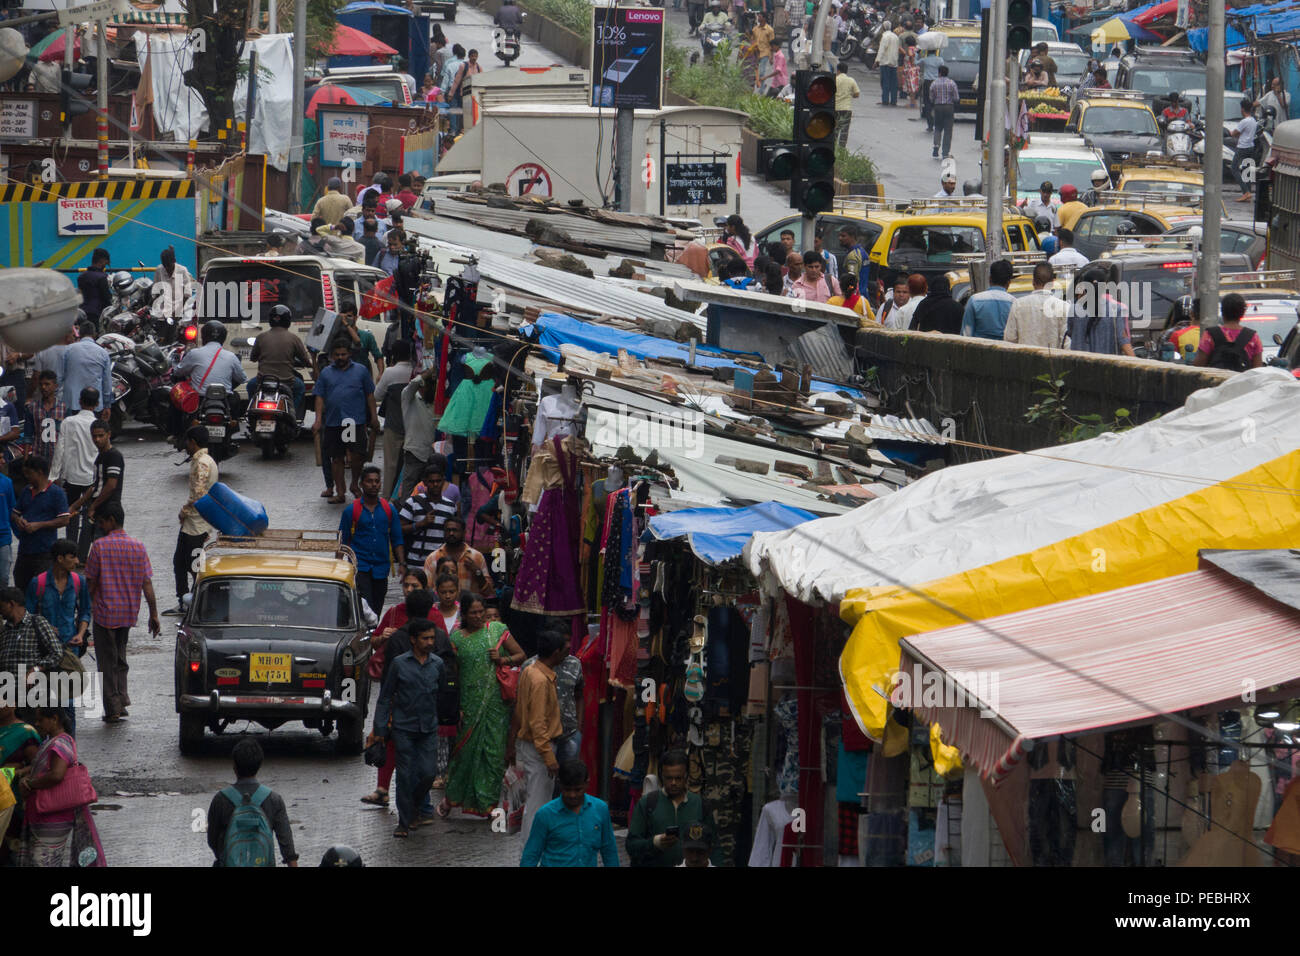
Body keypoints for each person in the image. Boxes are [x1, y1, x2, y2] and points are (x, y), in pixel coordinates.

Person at [440, 593, 524, 817]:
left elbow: (520, 655)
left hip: (496, 705)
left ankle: (488, 803)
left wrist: (503, 660)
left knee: (493, 754)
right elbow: (453, 676)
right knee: (464, 753)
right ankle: (453, 798)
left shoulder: (496, 630)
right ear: (465, 614)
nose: (478, 616)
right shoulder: (456, 638)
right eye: (473, 613)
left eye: (481, 612)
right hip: (468, 704)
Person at [370, 617, 446, 838]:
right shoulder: (399, 664)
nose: (430, 642)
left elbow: (441, 693)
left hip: (428, 728)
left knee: (428, 773)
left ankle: (413, 806)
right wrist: (380, 729)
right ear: (413, 640)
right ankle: (404, 822)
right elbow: (384, 698)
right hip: (403, 728)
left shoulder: (437, 665)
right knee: (404, 775)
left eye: (432, 638)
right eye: (425, 638)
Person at [86, 502, 160, 722]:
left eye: (101, 522)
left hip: (104, 613)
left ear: (110, 520)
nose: (100, 526)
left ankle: (113, 708)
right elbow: (146, 584)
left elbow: (91, 583)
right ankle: (121, 698)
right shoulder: (138, 546)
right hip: (127, 613)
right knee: (119, 657)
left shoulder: (99, 547)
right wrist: (153, 613)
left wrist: (82, 610)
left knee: (107, 661)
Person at [15, 707, 105, 867]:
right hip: (47, 815)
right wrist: (25, 772)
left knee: (43, 861)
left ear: (55, 719)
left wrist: (29, 783)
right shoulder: (56, 741)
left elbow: (56, 775)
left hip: (52, 817)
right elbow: (46, 767)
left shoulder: (60, 744)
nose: (37, 724)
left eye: (40, 719)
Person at [206, 738, 298, 866]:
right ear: (259, 765)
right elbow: (287, 847)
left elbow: (212, 840)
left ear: (234, 767)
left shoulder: (220, 799)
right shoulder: (274, 799)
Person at [516, 628, 568, 845]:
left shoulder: (531, 671)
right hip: (539, 749)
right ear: (556, 653)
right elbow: (538, 724)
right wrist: (549, 757)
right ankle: (531, 853)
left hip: (531, 747)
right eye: (564, 650)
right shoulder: (540, 680)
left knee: (535, 802)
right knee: (538, 805)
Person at [627, 749, 721, 867]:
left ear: (686, 775)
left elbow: (714, 846)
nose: (673, 783)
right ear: (661, 775)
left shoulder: (700, 804)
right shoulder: (647, 804)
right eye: (668, 778)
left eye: (678, 778)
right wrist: (656, 843)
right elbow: (631, 845)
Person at [313, 337, 378, 504]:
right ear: (332, 356)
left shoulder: (361, 371)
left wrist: (374, 417)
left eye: (343, 354)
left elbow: (370, 395)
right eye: (337, 355)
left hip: (353, 421)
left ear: (349, 354)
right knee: (336, 458)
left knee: (357, 456)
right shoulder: (326, 373)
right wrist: (318, 419)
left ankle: (354, 484)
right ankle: (340, 492)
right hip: (334, 422)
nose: (340, 357)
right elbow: (319, 397)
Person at [520, 759, 619, 867]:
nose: (572, 795)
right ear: (560, 785)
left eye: (578, 790)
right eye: (567, 790)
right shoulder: (545, 815)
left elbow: (609, 851)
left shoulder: (601, 809)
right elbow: (531, 856)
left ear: (587, 784)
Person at [339, 465, 405, 618]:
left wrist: (402, 563)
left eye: (377, 481)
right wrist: (338, 566)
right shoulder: (351, 511)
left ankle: (373, 636)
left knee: (377, 608)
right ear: (362, 484)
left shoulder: (389, 510)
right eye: (369, 481)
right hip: (360, 567)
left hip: (381, 569)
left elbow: (397, 538)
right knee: (364, 607)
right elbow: (342, 542)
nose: (374, 484)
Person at [50, 386, 97, 561]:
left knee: (71, 515)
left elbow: (59, 450)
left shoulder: (68, 422)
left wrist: (54, 477)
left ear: (80, 401)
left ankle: (71, 553)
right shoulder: (98, 425)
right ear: (97, 403)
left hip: (72, 478)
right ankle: (83, 556)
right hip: (91, 479)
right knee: (88, 517)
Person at [25, 538, 90, 663]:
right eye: (72, 557)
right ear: (60, 559)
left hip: (71, 647)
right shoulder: (38, 583)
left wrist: (80, 634)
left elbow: (85, 612)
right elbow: (28, 616)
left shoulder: (79, 582)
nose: (77, 561)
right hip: (45, 649)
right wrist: (44, 627)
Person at [11, 455, 70, 592]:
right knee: (21, 587)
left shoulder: (57, 493)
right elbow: (15, 513)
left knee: (41, 591)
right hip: (24, 551)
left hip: (44, 553)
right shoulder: (26, 491)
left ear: (40, 472)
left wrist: (39, 525)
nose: (27, 477)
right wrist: (18, 520)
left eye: (29, 473)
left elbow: (64, 519)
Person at [249, 304, 310, 421]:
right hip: (287, 382)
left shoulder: (261, 337)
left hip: (262, 381)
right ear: (288, 320)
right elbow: (306, 361)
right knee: (300, 387)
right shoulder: (294, 338)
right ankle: (292, 414)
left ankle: (252, 413)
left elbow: (253, 358)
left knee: (250, 386)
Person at [399, 460, 456, 574]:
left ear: (443, 481)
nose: (435, 484)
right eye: (431, 481)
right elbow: (399, 529)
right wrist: (420, 524)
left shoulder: (450, 506)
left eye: (438, 481)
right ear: (425, 482)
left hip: (440, 563)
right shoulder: (412, 502)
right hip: (415, 562)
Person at [374, 340, 413, 498]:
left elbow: (377, 395)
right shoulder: (414, 371)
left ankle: (388, 497)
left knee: (390, 464)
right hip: (412, 425)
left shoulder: (390, 372)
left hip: (393, 425)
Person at [423, 516, 494, 598]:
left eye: (455, 530)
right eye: (448, 530)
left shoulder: (476, 557)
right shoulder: (433, 558)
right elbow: (427, 590)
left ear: (464, 533)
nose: (451, 533)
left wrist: (477, 572)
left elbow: (488, 592)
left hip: (469, 608)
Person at [1003, 263, 1069, 348]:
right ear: (1052, 283)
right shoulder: (1064, 307)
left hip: (1024, 358)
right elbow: (1067, 343)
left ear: (1033, 282)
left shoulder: (1018, 305)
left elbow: (1009, 339)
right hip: (1053, 359)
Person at [1193, 293, 1263, 371]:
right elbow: (1257, 370)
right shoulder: (1253, 337)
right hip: (1241, 382)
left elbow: (1198, 366)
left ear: (1222, 311)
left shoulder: (1210, 334)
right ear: (1242, 313)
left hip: (1216, 382)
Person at [1067, 279, 1135, 357]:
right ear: (1104, 286)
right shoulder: (1116, 309)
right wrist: (1136, 362)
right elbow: (1122, 339)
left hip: (1080, 364)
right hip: (1107, 365)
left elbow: (1070, 333)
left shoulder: (1074, 310)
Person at [56, 320, 111, 416]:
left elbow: (59, 377)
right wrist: (107, 405)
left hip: (72, 403)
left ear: (79, 334)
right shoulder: (103, 353)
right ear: (94, 334)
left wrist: (56, 399)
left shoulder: (68, 350)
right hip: (94, 405)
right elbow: (107, 383)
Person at [961, 259, 1016, 341]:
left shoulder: (974, 300)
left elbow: (966, 334)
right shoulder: (1014, 303)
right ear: (1009, 282)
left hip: (978, 350)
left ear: (989, 279)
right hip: (1005, 351)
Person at [333, 300, 384, 380]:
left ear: (356, 318)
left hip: (362, 377)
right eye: (344, 317)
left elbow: (378, 356)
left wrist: (380, 374)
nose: (346, 319)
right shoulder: (338, 336)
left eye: (349, 316)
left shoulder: (367, 336)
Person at [23, 370, 64, 467]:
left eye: (47, 384)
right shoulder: (32, 408)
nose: (43, 387)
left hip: (58, 459)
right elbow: (28, 436)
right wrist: (25, 461)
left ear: (55, 386)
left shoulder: (64, 408)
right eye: (41, 384)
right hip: (38, 457)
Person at [152, 246, 193, 320]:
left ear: (174, 261)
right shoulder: (159, 270)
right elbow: (156, 291)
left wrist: (177, 311)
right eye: (165, 266)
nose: (167, 268)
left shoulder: (182, 270)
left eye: (169, 265)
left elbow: (187, 294)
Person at [76, 249, 112, 328]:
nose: (105, 266)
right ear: (102, 261)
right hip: (96, 314)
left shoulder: (81, 276)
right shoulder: (102, 277)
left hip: (81, 312)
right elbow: (106, 298)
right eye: (105, 263)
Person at [1232, 99, 1259, 203]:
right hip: (1251, 146)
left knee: (1234, 168)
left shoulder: (1244, 121)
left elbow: (1234, 133)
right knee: (1247, 170)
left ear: (1242, 109)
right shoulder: (1253, 120)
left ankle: (1245, 192)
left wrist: (1232, 132)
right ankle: (1248, 192)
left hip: (1242, 147)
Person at [833, 62, 860, 148]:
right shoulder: (851, 80)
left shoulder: (834, 80)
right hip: (846, 109)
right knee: (844, 131)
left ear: (838, 70)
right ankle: (842, 149)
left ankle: (833, 147)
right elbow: (857, 94)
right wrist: (849, 94)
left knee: (834, 129)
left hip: (835, 108)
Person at [748, 12, 775, 92]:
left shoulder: (770, 30)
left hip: (765, 53)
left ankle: (761, 91)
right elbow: (751, 39)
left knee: (762, 72)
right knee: (753, 72)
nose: (758, 18)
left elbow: (772, 44)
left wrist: (771, 57)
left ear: (764, 18)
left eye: (759, 17)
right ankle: (759, 87)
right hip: (755, 53)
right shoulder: (755, 28)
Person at [920, 46, 944, 130]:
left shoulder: (925, 60)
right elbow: (942, 69)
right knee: (937, 102)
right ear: (935, 51)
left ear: (928, 52)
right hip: (937, 82)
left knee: (927, 103)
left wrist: (916, 54)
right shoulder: (940, 60)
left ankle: (930, 124)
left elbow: (916, 63)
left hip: (927, 83)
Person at [878, 21, 900, 106]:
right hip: (894, 63)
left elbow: (881, 50)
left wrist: (877, 60)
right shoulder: (895, 36)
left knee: (885, 82)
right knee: (893, 83)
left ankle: (885, 100)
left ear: (883, 27)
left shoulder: (884, 36)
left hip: (885, 63)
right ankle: (894, 101)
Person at [0, 458, 13, 587]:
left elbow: (11, 511)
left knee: (3, 577)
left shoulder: (7, 482)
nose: (3, 461)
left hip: (3, 538)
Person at [900, 38, 920, 108]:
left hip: (910, 70)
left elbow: (911, 55)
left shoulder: (910, 49)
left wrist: (912, 62)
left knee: (911, 87)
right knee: (913, 87)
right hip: (914, 70)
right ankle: (913, 102)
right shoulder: (915, 48)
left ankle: (912, 103)